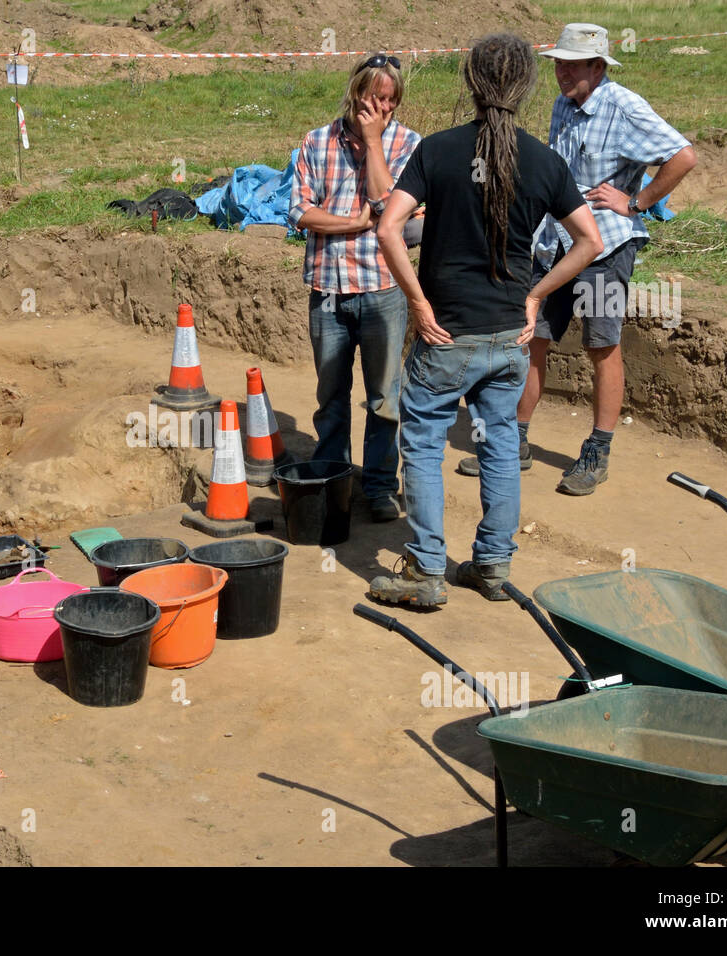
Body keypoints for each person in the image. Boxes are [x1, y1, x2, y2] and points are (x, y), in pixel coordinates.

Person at [367, 32, 603, 608]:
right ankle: (492, 567)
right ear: (525, 86)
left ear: (472, 82)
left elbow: (388, 228)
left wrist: (418, 303)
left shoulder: (437, 151)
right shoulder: (544, 161)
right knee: (499, 445)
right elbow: (589, 241)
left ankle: (426, 573)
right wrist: (534, 296)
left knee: (422, 446)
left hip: (445, 332)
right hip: (507, 337)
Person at [457, 22, 697, 495]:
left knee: (600, 345)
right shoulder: (562, 106)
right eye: (558, 64)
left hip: (606, 246)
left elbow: (683, 156)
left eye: (571, 65)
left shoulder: (624, 107)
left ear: (598, 66)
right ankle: (515, 441)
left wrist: (637, 202)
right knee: (534, 338)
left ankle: (597, 450)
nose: (561, 73)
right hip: (555, 243)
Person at [288, 53, 421, 522]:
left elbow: (389, 207)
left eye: (390, 101)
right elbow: (299, 212)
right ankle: (332, 478)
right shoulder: (316, 141)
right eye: (374, 98)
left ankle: (381, 487)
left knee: (384, 397)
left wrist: (373, 142)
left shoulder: (407, 144)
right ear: (355, 92)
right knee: (331, 394)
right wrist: (349, 223)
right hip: (327, 287)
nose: (382, 109)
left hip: (383, 286)